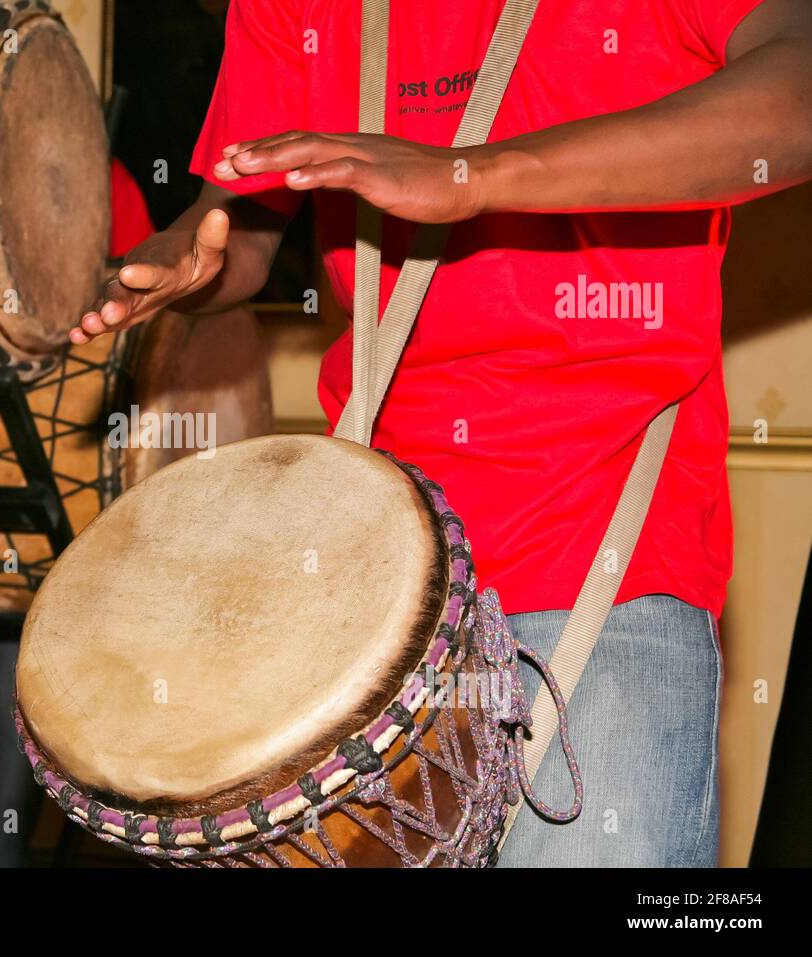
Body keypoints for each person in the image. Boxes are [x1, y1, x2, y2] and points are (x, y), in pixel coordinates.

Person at [70, 0, 812, 866]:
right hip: (363, 566)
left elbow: (797, 97)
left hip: (606, 545)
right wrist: (184, 264)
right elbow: (243, 225)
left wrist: (474, 173)